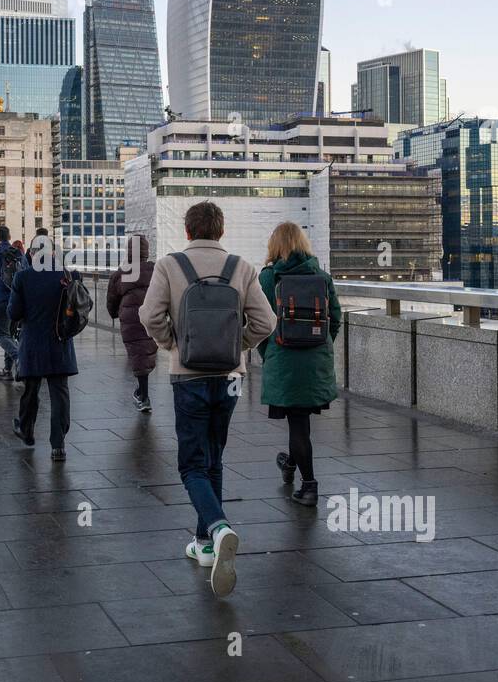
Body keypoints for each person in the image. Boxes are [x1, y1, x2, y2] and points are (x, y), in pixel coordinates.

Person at [139, 201, 274, 597]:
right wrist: (238, 347)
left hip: (189, 376)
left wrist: (173, 345)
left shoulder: (169, 265)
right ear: (220, 230)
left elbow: (150, 316)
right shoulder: (242, 267)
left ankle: (218, 527)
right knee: (214, 456)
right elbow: (267, 322)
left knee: (192, 465)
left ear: (187, 231)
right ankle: (203, 545)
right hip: (231, 377)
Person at [257, 222, 342, 506]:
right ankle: (290, 464)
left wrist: (268, 353)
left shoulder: (269, 278)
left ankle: (309, 487)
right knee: (300, 420)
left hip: (284, 359)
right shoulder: (322, 276)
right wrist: (319, 346)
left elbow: (259, 322)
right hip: (315, 359)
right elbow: (336, 318)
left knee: (298, 424)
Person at [9, 234, 77, 462]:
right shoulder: (67, 275)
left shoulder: (22, 277)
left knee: (31, 391)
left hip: (33, 344)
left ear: (31, 254)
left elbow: (13, 313)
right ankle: (58, 445)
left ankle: (26, 431)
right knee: (59, 393)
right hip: (60, 341)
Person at [107, 234, 158, 411]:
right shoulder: (155, 270)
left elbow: (111, 302)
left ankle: (143, 395)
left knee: (139, 355)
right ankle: (143, 394)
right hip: (152, 317)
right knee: (145, 353)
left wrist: (115, 313)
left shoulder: (120, 273)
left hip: (130, 320)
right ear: (146, 251)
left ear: (128, 251)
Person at [0, 225, 22, 380]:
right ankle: (8, 370)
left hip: (0, 298)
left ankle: (19, 357)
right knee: (11, 334)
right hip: (17, 298)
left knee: (2, 334)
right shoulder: (18, 253)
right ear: (9, 237)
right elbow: (25, 275)